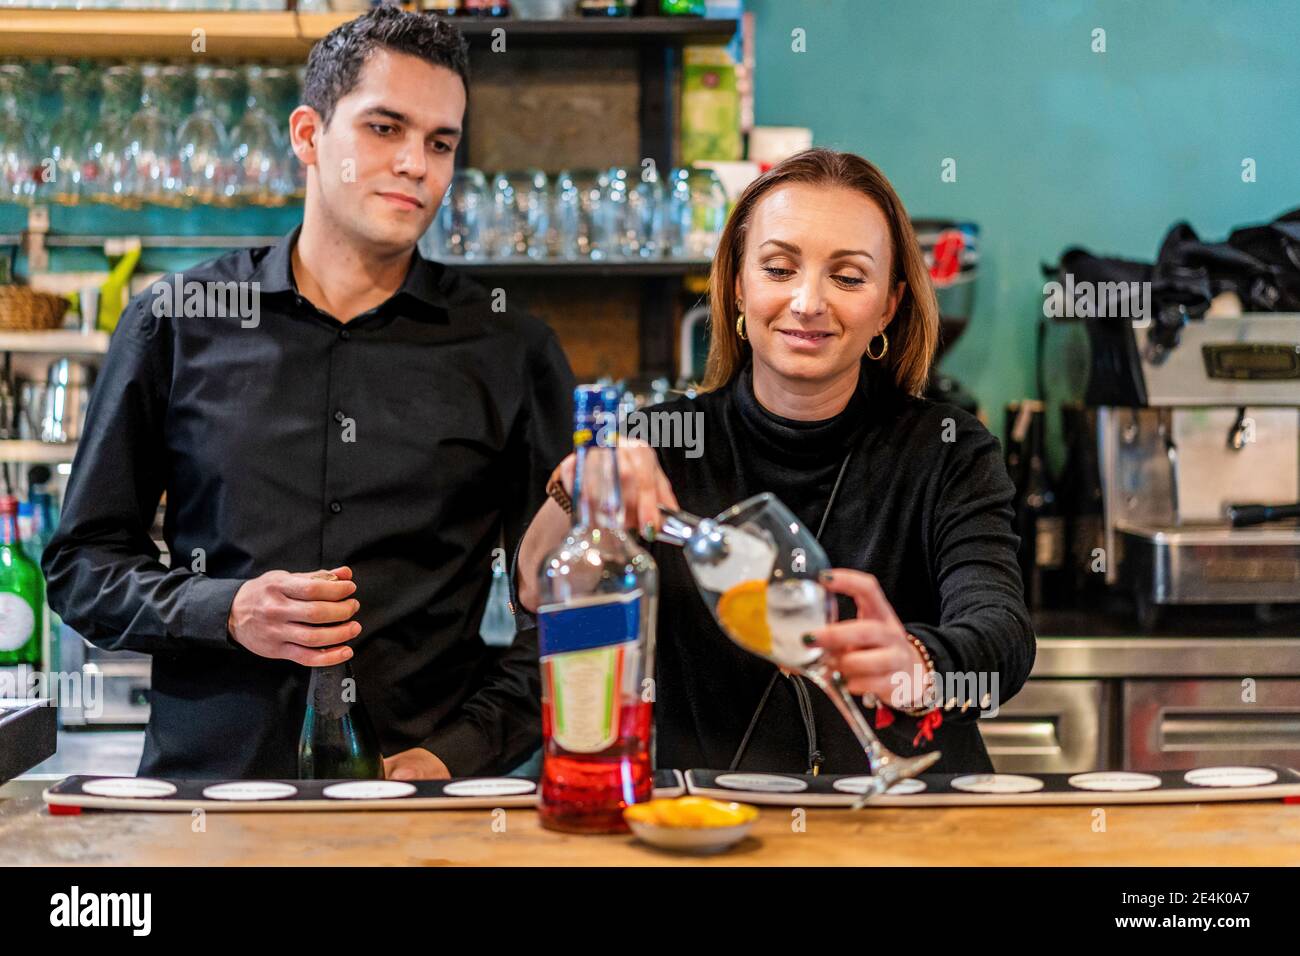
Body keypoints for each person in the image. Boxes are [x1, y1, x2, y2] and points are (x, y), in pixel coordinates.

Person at [43, 8, 574, 779]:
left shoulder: (510, 348)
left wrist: (452, 755)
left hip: (420, 809)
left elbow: (561, 607)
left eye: (440, 143)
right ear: (308, 136)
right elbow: (82, 566)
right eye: (384, 128)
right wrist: (224, 610)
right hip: (210, 802)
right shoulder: (177, 320)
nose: (416, 165)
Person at [516, 148, 1035, 774]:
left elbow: (1002, 635)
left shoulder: (949, 448)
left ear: (889, 306)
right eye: (779, 268)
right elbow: (536, 589)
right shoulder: (660, 441)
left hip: (909, 823)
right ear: (738, 285)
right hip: (717, 822)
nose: (808, 301)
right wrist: (581, 486)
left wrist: (917, 665)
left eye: (847, 277)